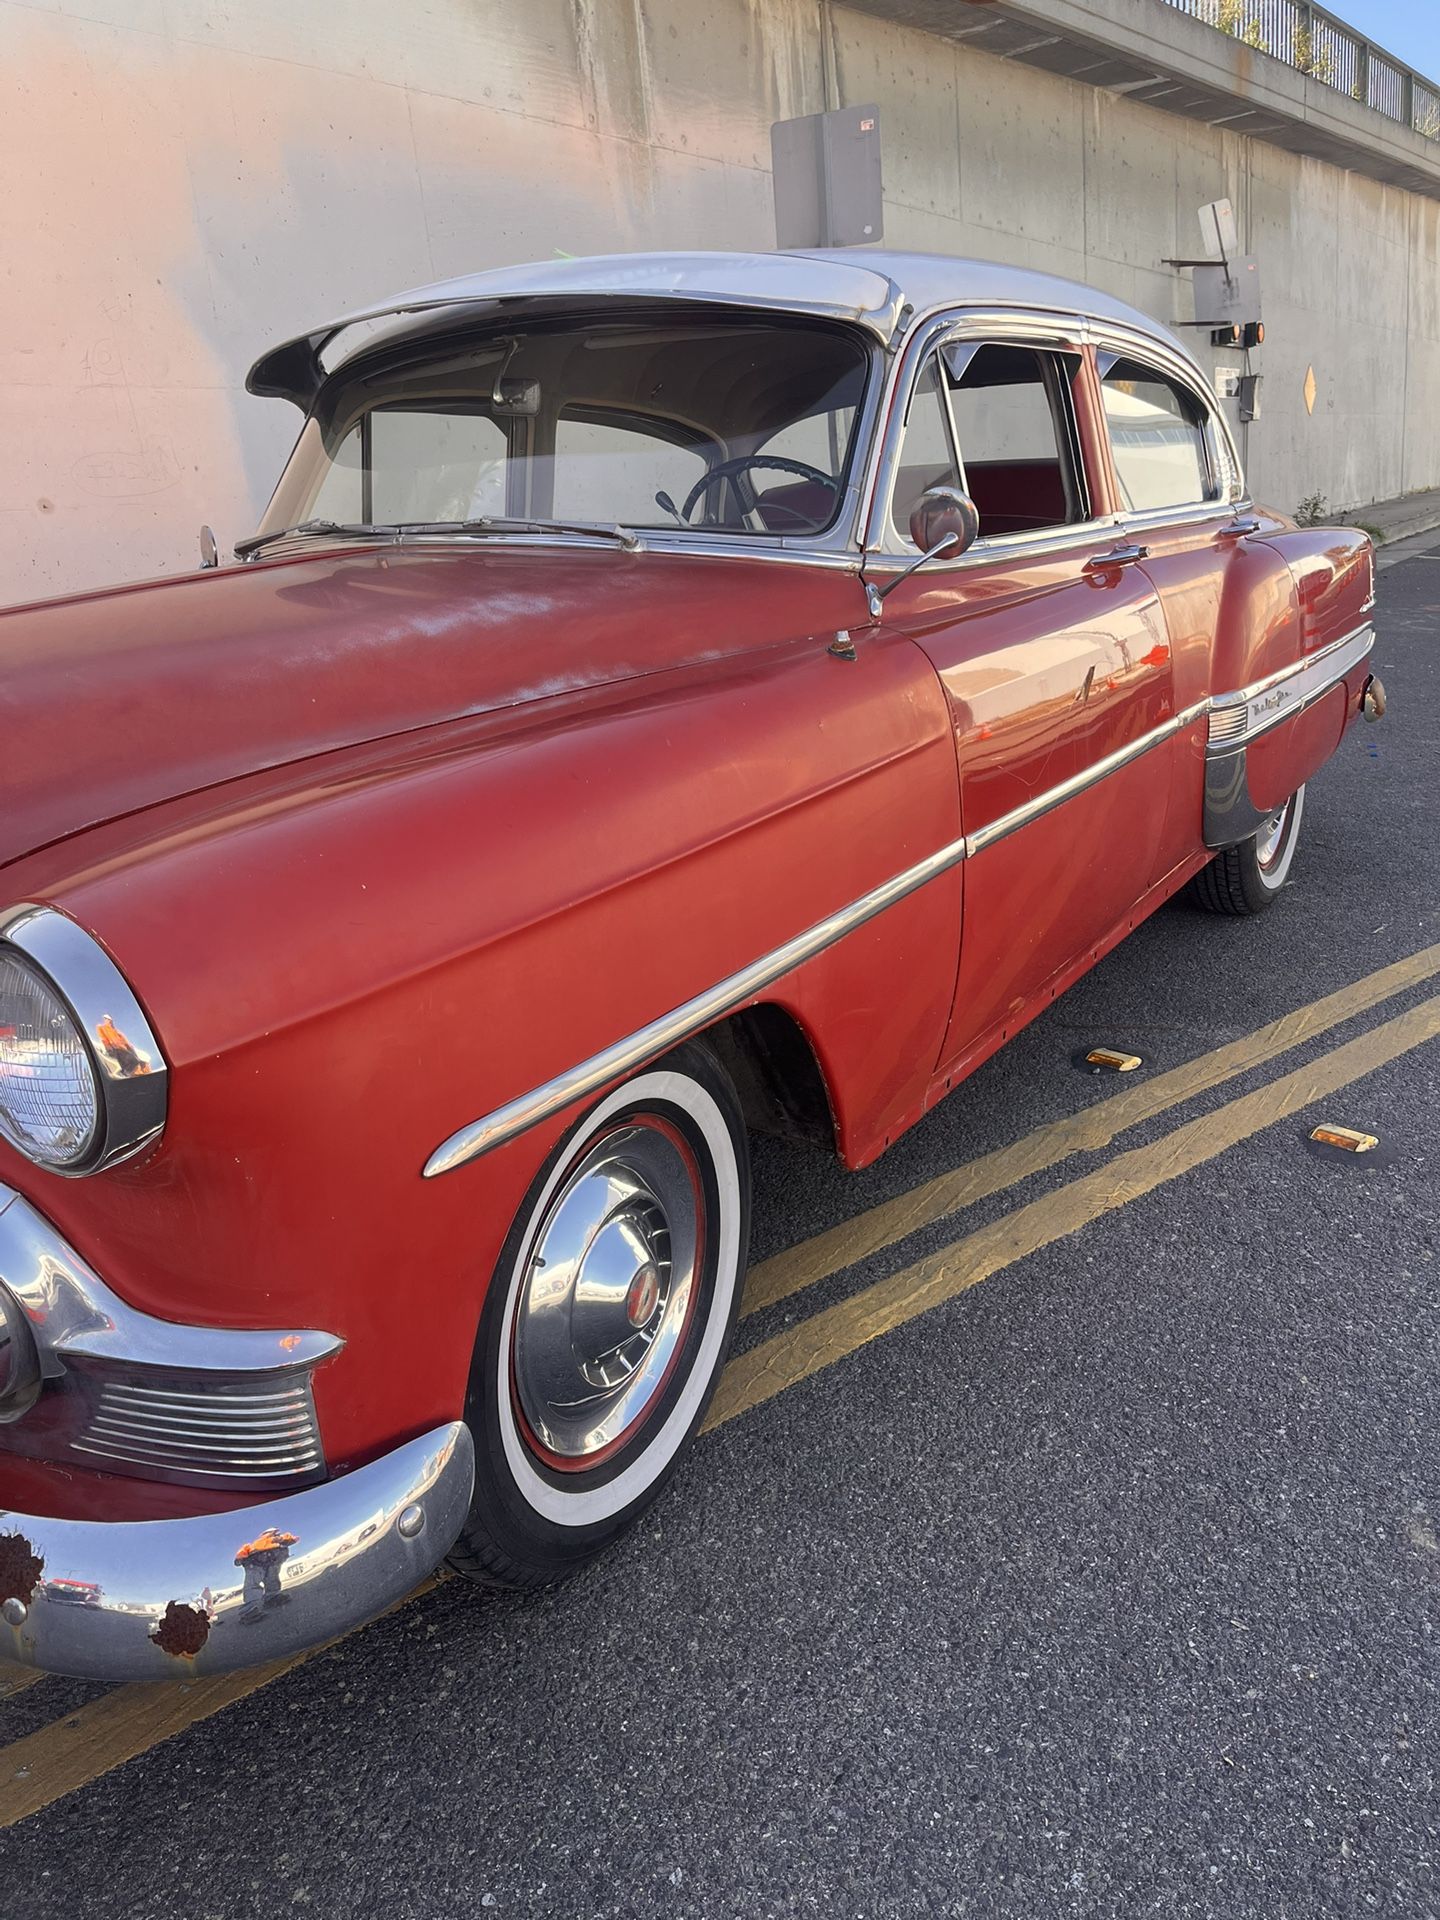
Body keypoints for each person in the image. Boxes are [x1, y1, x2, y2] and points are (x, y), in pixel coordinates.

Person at [234, 1526, 298, 1621]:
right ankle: (248, 1611)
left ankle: (271, 1597)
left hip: (271, 1563)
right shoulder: (256, 1544)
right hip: (255, 1564)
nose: (276, 1534)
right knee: (253, 1585)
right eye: (274, 1533)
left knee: (272, 1580)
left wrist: (284, 1539)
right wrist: (240, 1558)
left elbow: (291, 1539)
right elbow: (243, 1551)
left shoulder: (279, 1540)